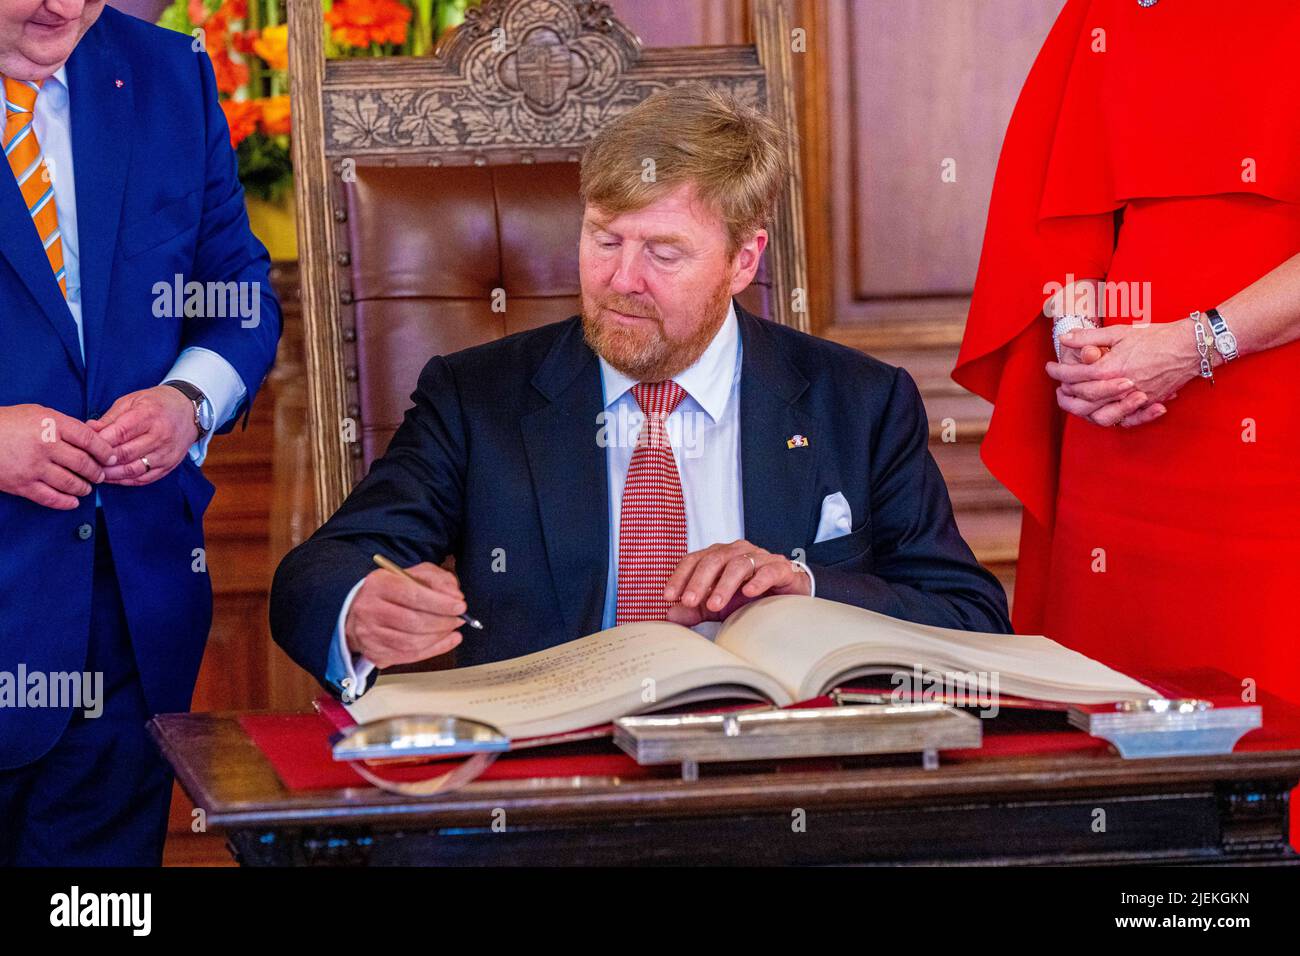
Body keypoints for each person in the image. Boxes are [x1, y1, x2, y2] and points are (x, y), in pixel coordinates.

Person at [271, 84, 1010, 702]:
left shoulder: (860, 401)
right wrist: (357, 609)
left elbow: (971, 620)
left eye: (663, 252)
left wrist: (808, 584)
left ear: (742, 259)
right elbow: (323, 569)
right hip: (552, 783)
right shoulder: (477, 398)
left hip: (785, 772)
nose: (622, 280)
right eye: (604, 239)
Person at [955, 0, 1300, 845]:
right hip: (1125, 432)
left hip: (1277, 434)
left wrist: (1197, 343)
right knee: (1116, 747)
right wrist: (1082, 342)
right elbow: (1059, 218)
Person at [0, 0, 281, 864]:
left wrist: (187, 402)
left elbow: (236, 289)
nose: (63, 6)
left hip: (123, 616)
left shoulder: (168, 71)